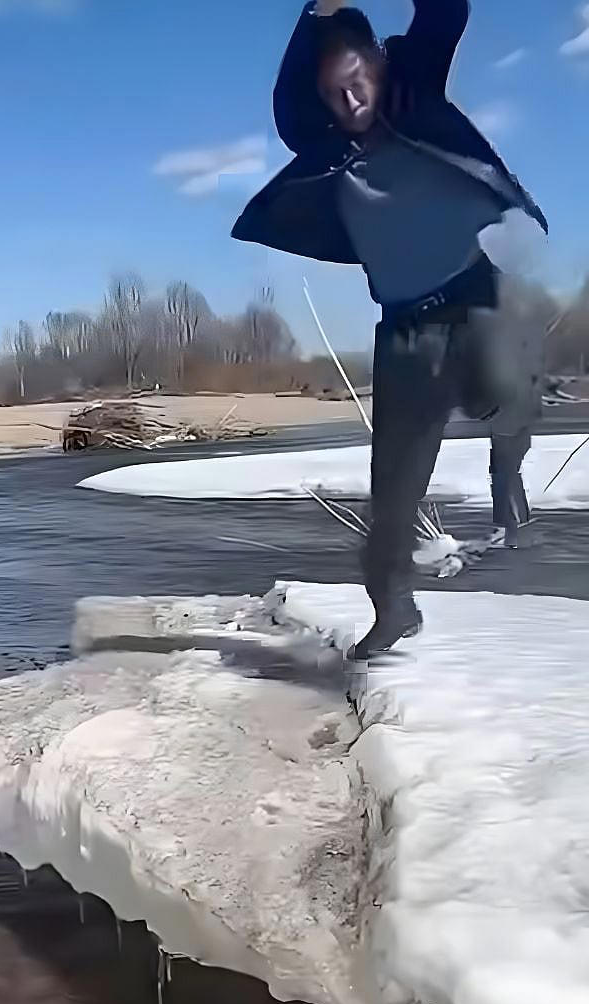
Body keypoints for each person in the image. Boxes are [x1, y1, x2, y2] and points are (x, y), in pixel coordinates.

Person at [233, 0, 547, 658]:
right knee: (392, 497)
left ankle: (507, 471)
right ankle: (394, 608)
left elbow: (445, 11)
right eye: (334, 93)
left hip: (476, 292)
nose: (349, 100)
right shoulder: (325, 145)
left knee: (497, 388)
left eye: (357, 82)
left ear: (381, 66)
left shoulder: (413, 85)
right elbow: (289, 99)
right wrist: (319, 12)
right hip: (403, 326)